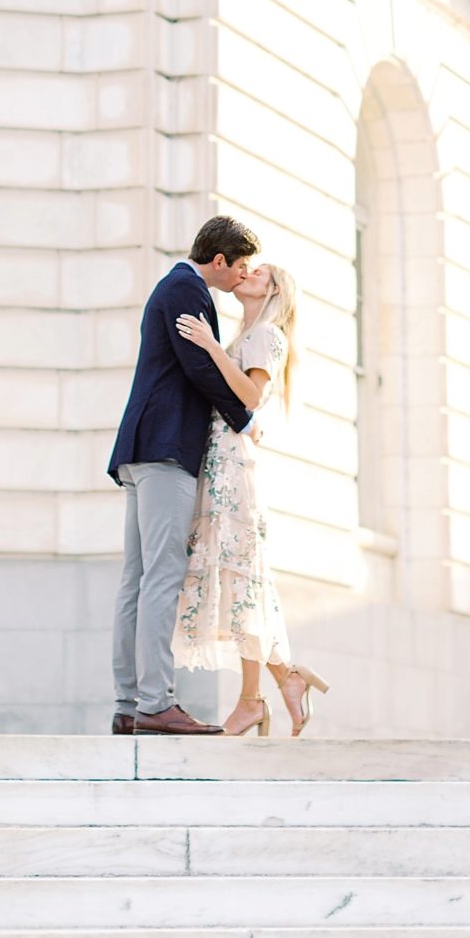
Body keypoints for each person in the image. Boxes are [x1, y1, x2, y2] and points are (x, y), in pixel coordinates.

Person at [107, 215, 261, 735]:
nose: (242, 277)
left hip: (145, 447)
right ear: (218, 261)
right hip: (166, 447)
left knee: (137, 579)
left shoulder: (178, 287)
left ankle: (130, 703)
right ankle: (154, 702)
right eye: (240, 268)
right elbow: (200, 370)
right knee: (161, 578)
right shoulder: (185, 290)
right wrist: (246, 419)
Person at [172, 261, 330, 737]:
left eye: (260, 271)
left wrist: (209, 348)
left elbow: (247, 397)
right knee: (237, 575)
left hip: (234, 468)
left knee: (240, 576)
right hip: (223, 460)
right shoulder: (248, 333)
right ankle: (284, 679)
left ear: (275, 288)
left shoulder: (266, 336)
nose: (248, 273)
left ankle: (252, 699)